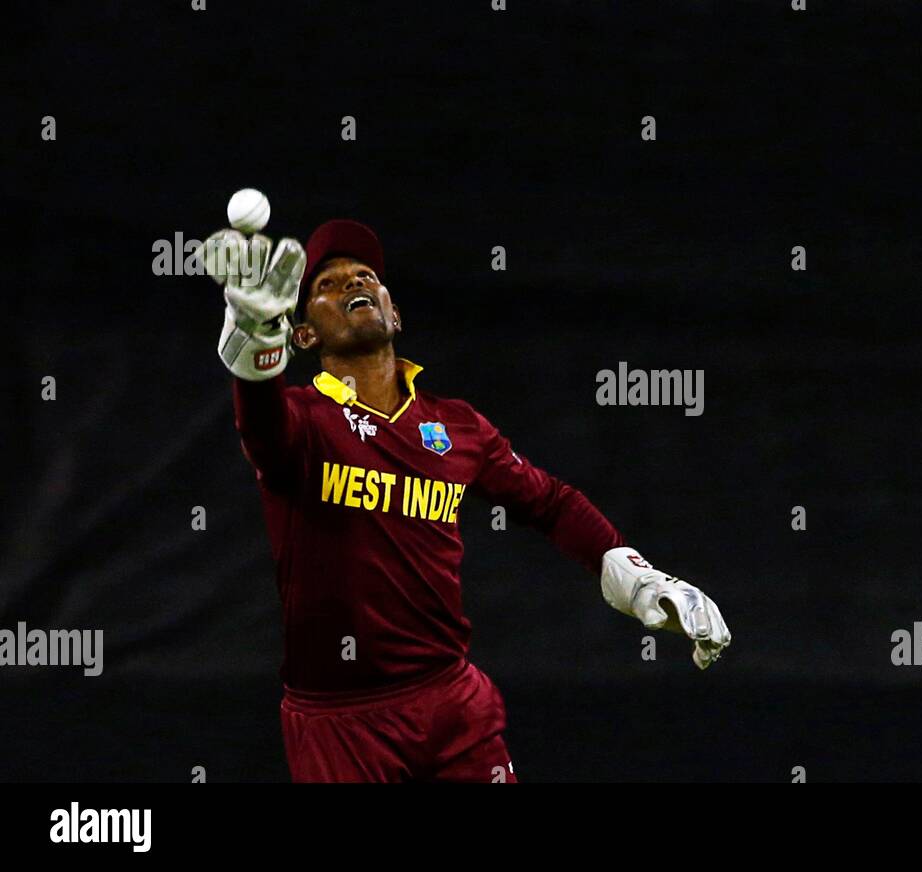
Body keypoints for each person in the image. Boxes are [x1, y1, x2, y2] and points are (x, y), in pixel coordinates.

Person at [203, 218, 732, 782]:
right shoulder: (302, 421)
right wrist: (258, 345)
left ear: (394, 312)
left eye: (365, 275)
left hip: (452, 704)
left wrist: (632, 570)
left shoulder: (456, 425)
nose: (352, 283)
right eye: (326, 285)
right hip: (340, 723)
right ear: (304, 334)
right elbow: (260, 427)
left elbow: (549, 501)